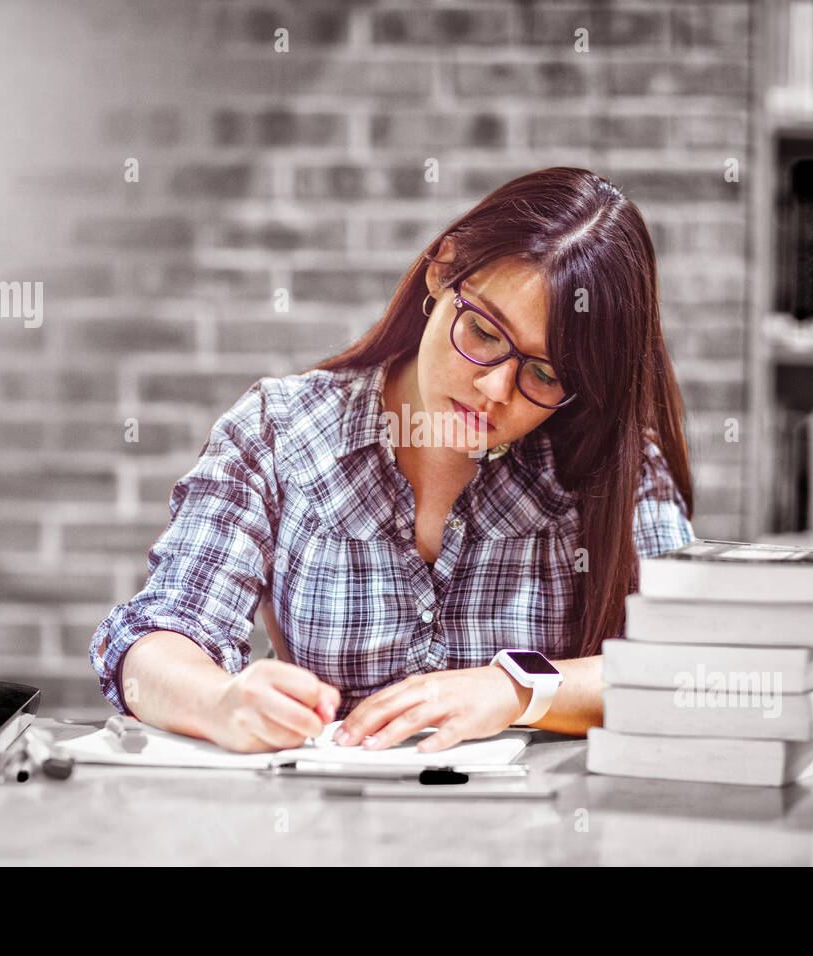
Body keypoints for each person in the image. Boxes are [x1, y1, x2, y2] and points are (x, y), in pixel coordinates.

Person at [90, 166, 695, 753]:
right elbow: (154, 637)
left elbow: (685, 666)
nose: (494, 389)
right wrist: (220, 702)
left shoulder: (610, 464)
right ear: (442, 271)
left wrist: (517, 689)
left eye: (542, 373)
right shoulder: (282, 432)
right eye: (484, 334)